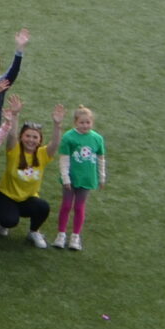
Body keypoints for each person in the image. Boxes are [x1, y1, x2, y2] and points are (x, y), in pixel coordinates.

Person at [0, 99, 63, 248]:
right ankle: (2, 224)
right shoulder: (15, 150)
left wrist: (57, 124)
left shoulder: (43, 154)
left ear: (40, 140)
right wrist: (15, 115)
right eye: (27, 136)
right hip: (5, 196)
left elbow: (55, 144)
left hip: (27, 199)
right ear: (21, 137)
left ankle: (34, 231)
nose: (31, 140)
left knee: (43, 207)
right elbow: (11, 136)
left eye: (35, 137)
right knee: (10, 221)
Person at [56, 106, 105, 250]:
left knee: (79, 207)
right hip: (70, 179)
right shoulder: (68, 137)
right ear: (75, 122)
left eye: (88, 122)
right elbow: (64, 159)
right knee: (66, 206)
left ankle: (75, 237)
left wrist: (102, 177)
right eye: (82, 122)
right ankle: (61, 234)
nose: (85, 125)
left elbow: (101, 158)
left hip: (87, 179)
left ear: (92, 123)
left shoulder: (97, 138)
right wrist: (65, 178)